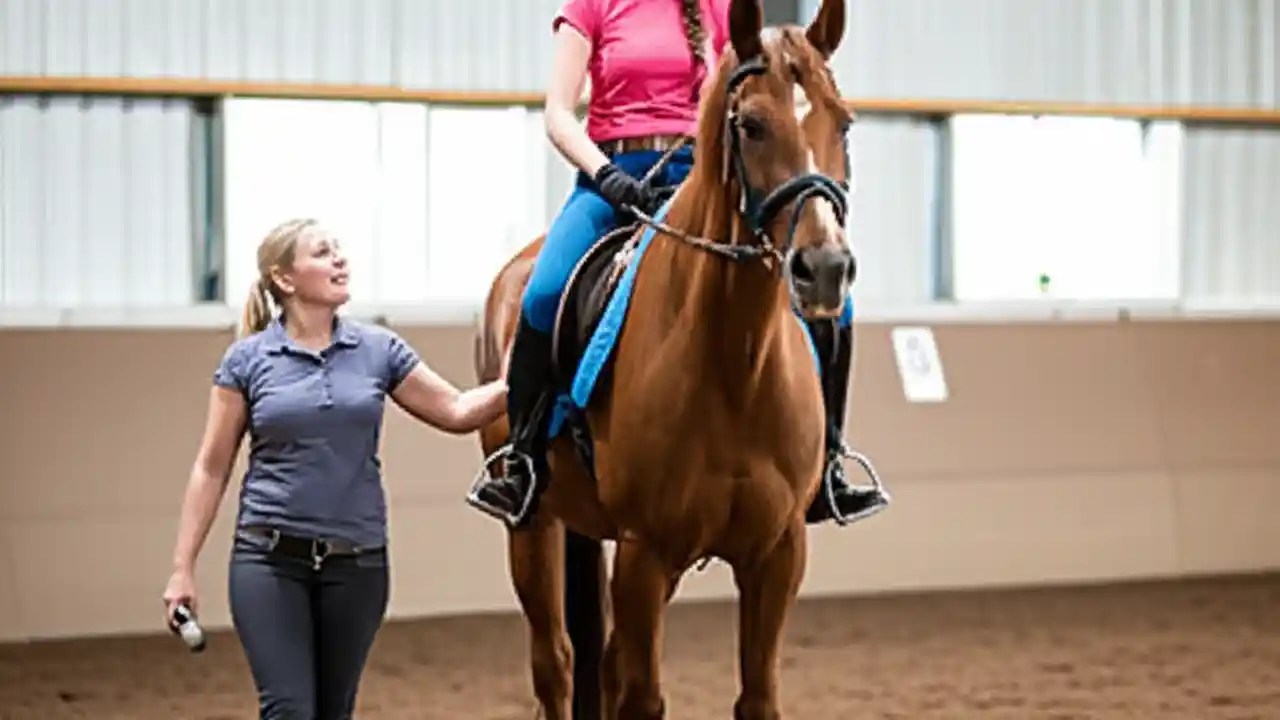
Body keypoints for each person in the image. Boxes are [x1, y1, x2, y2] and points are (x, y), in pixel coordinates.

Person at [467, 0, 889, 529]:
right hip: (614, 174)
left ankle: (827, 462)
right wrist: (606, 174)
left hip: (703, 178)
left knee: (838, 307)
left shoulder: (722, 9)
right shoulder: (593, 6)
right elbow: (558, 113)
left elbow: (761, 94)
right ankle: (524, 461)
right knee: (545, 291)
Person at [161, 218, 508, 719]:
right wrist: (181, 570)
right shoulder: (247, 360)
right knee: (289, 710)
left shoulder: (379, 349)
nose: (340, 259)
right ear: (285, 279)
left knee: (333, 712)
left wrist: (516, 381)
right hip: (269, 560)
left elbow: (455, 411)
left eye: (339, 250)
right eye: (323, 253)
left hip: (358, 562)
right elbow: (211, 468)